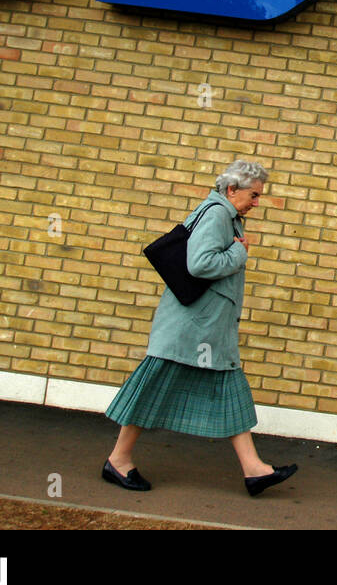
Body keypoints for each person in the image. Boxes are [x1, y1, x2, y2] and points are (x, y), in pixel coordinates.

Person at [102, 159, 296, 497]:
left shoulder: (225, 213)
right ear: (232, 189)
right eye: (253, 195)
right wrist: (239, 254)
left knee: (228, 390)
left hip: (205, 329)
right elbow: (200, 263)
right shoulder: (218, 214)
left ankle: (254, 470)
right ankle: (118, 460)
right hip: (191, 328)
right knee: (153, 389)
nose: (257, 202)